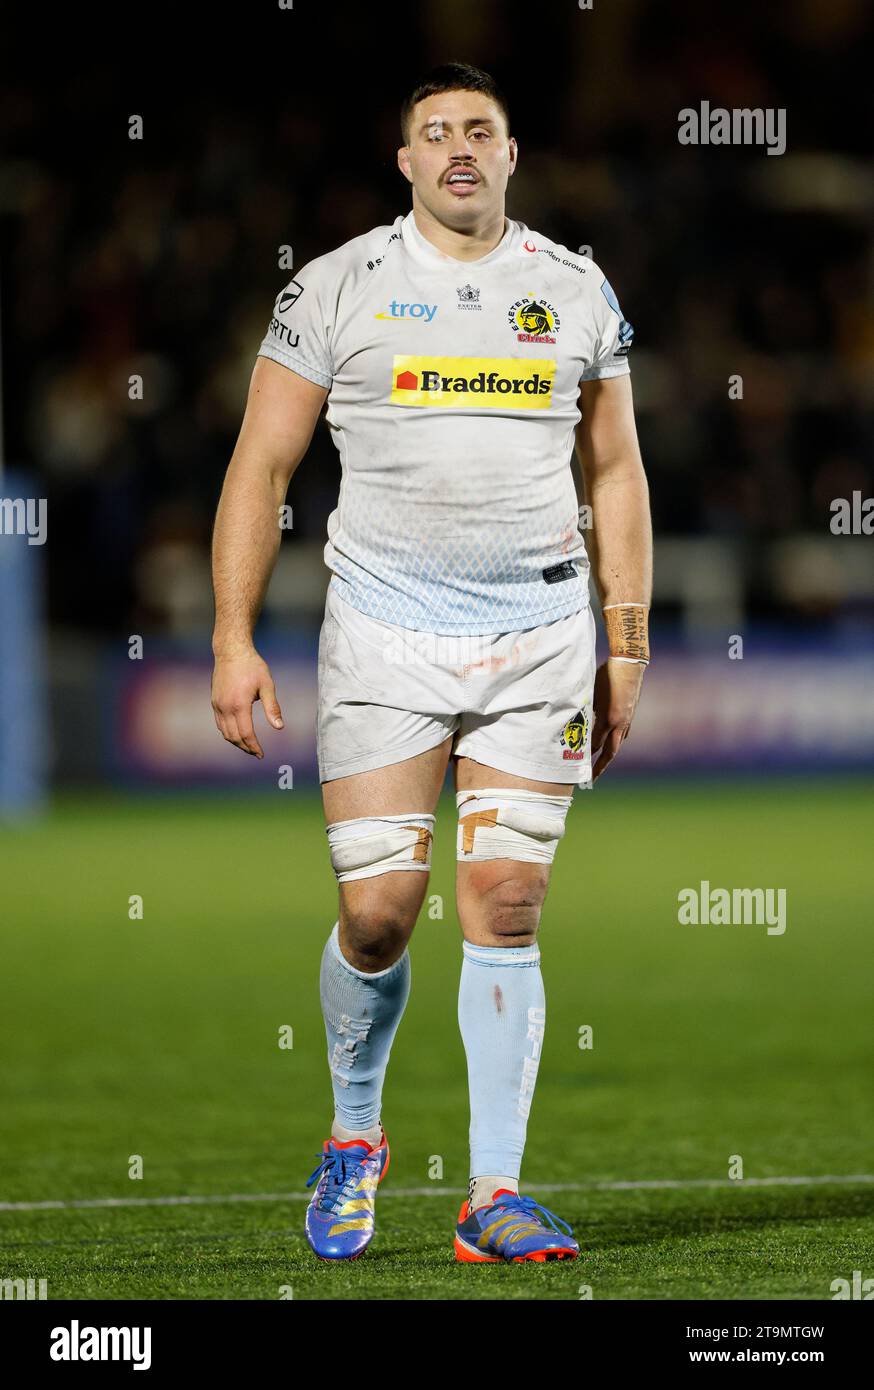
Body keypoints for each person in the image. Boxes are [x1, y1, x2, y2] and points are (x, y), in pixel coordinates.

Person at [211, 61, 652, 1264]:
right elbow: (259, 468)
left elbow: (613, 474)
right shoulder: (335, 286)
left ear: (511, 155)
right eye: (434, 131)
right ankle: (355, 1136)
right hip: (386, 631)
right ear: (403, 161)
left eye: (481, 129)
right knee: (379, 914)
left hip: (541, 634)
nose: (459, 146)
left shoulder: (572, 289)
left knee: (506, 903)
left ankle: (492, 1193)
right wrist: (232, 634)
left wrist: (626, 643)